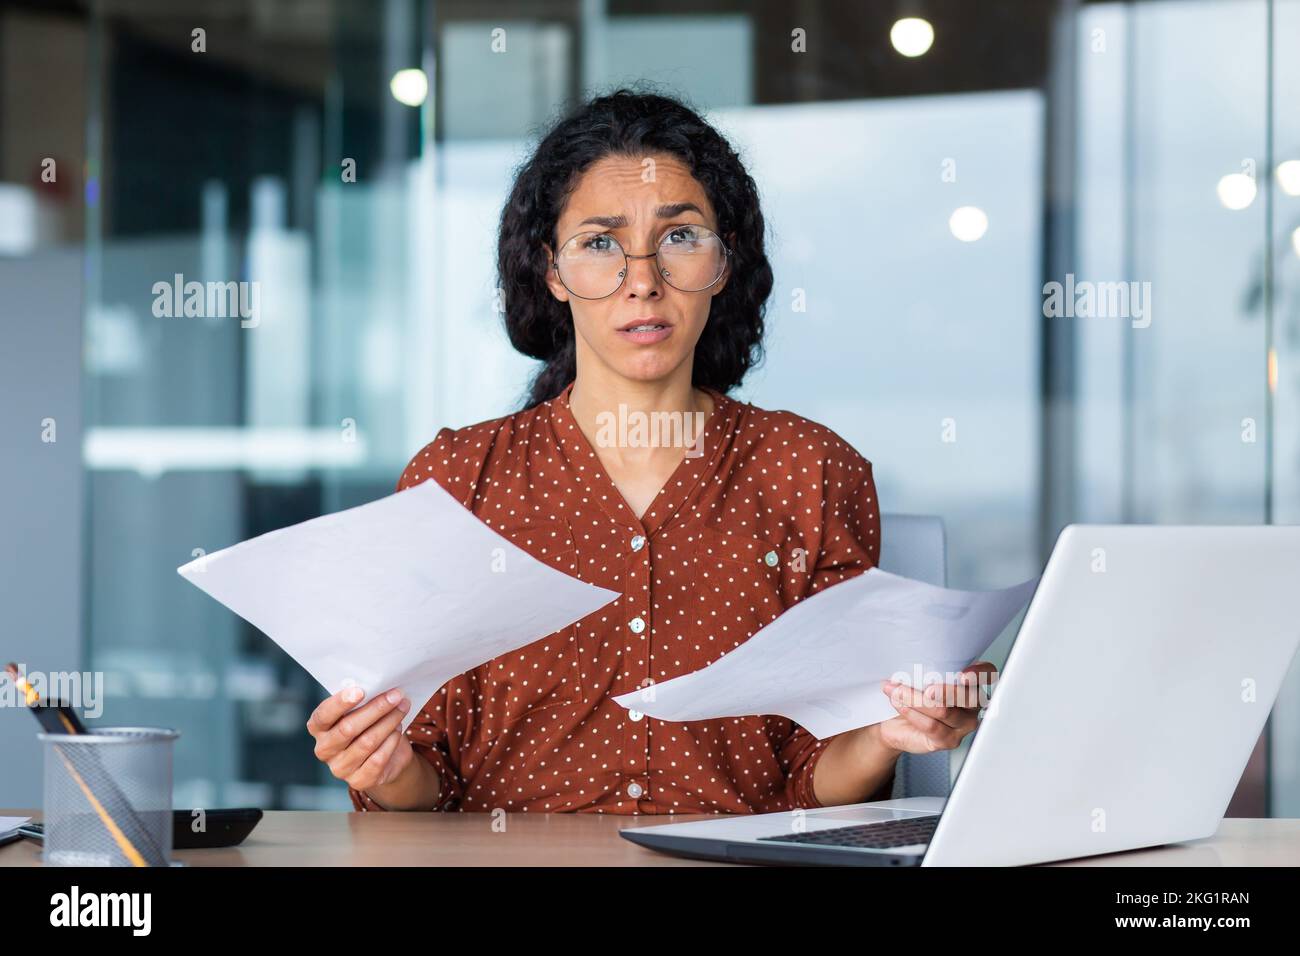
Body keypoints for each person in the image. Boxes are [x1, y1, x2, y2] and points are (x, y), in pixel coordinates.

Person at [307, 87, 992, 814]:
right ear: (552, 272)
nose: (643, 281)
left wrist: (889, 733)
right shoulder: (457, 481)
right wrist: (380, 764)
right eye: (600, 243)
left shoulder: (809, 472)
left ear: (724, 264)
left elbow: (813, 780)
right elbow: (429, 780)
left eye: (680, 237)